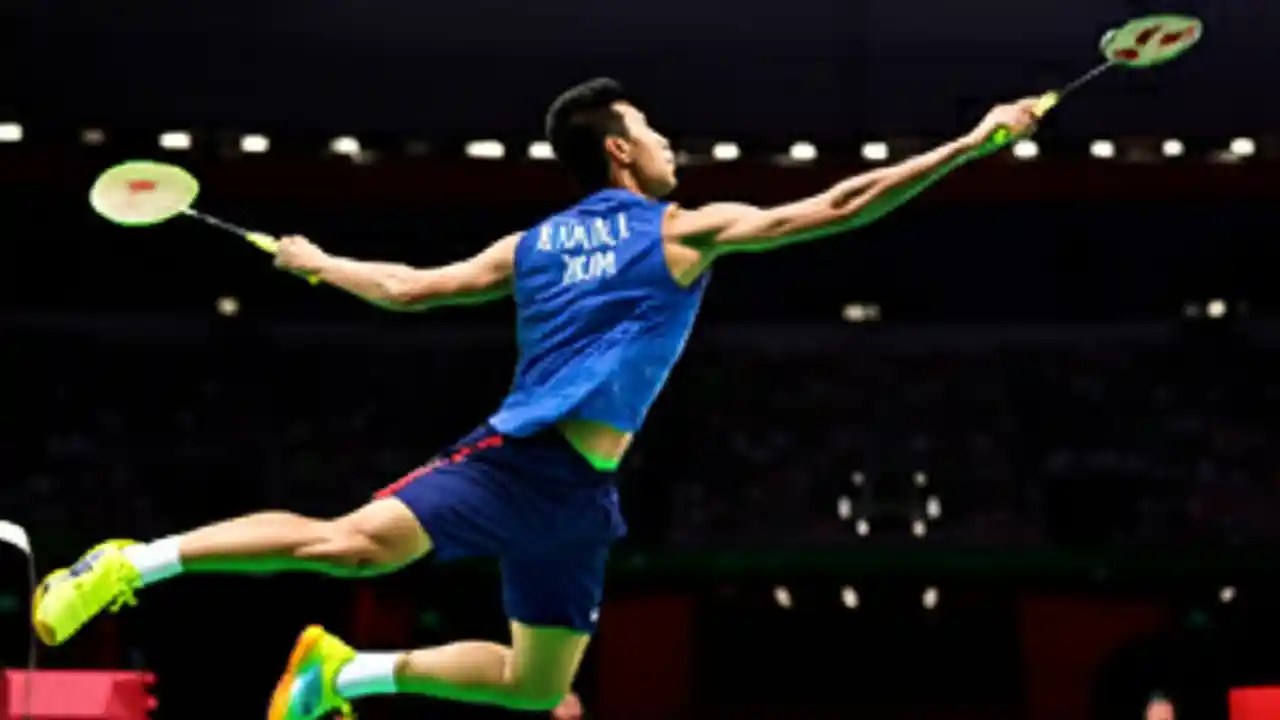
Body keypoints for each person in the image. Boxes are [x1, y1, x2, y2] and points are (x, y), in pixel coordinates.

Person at [32, 78, 1040, 719]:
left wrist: (317, 261)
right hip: (519, 457)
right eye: (651, 131)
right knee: (344, 543)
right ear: (616, 151)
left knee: (536, 690)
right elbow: (836, 206)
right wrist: (971, 144)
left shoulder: (534, 244)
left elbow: (410, 289)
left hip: (576, 496)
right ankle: (131, 559)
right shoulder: (681, 231)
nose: (666, 143)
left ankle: (337, 674)